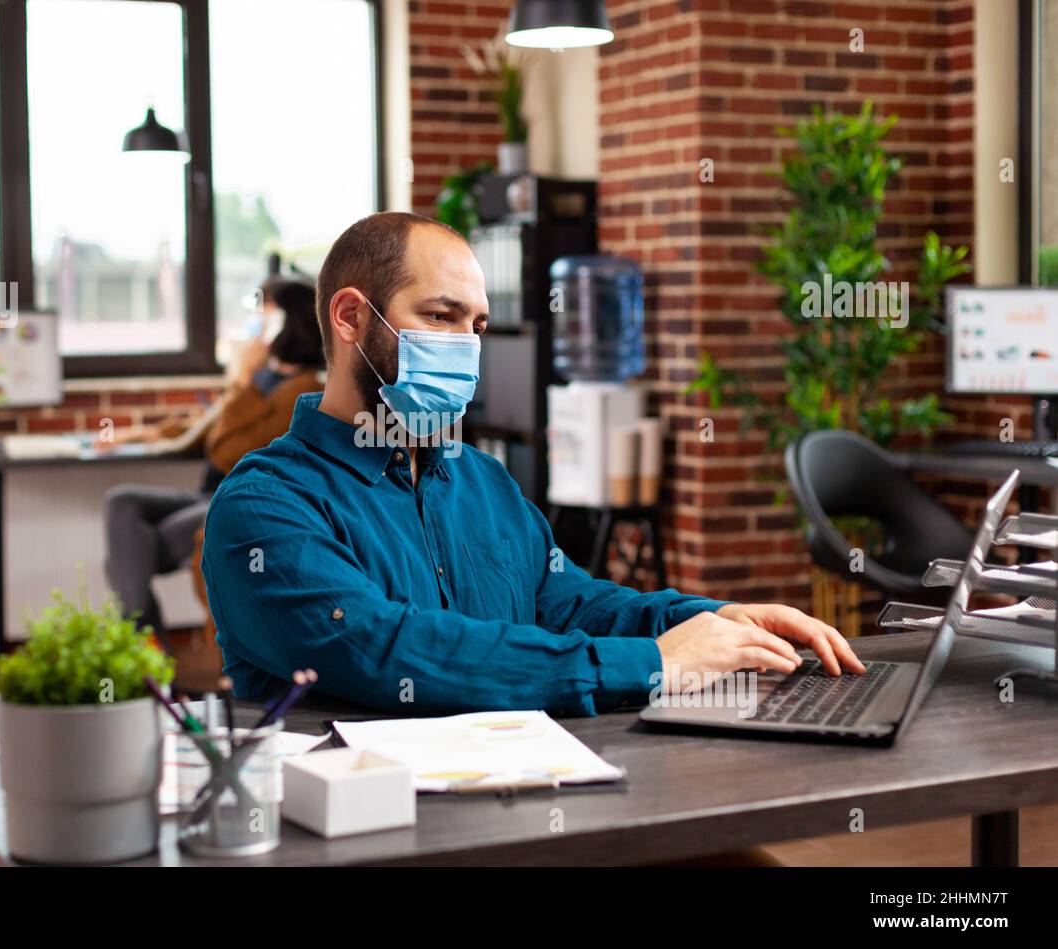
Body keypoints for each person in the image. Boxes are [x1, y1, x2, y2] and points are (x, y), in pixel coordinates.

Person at [202, 212, 864, 714]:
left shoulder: (480, 480)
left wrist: (712, 622)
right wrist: (656, 662)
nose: (467, 346)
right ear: (350, 318)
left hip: (531, 801)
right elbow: (386, 651)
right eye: (441, 315)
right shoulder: (263, 507)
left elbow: (567, 602)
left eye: (478, 327)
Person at [104, 279, 324, 643]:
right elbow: (208, 426)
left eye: (266, 314)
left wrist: (241, 380)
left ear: (290, 322)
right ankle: (146, 641)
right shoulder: (264, 376)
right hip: (205, 493)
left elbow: (234, 447)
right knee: (121, 501)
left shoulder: (304, 389)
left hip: (234, 501)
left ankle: (143, 645)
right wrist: (137, 434)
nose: (255, 325)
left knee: (129, 553)